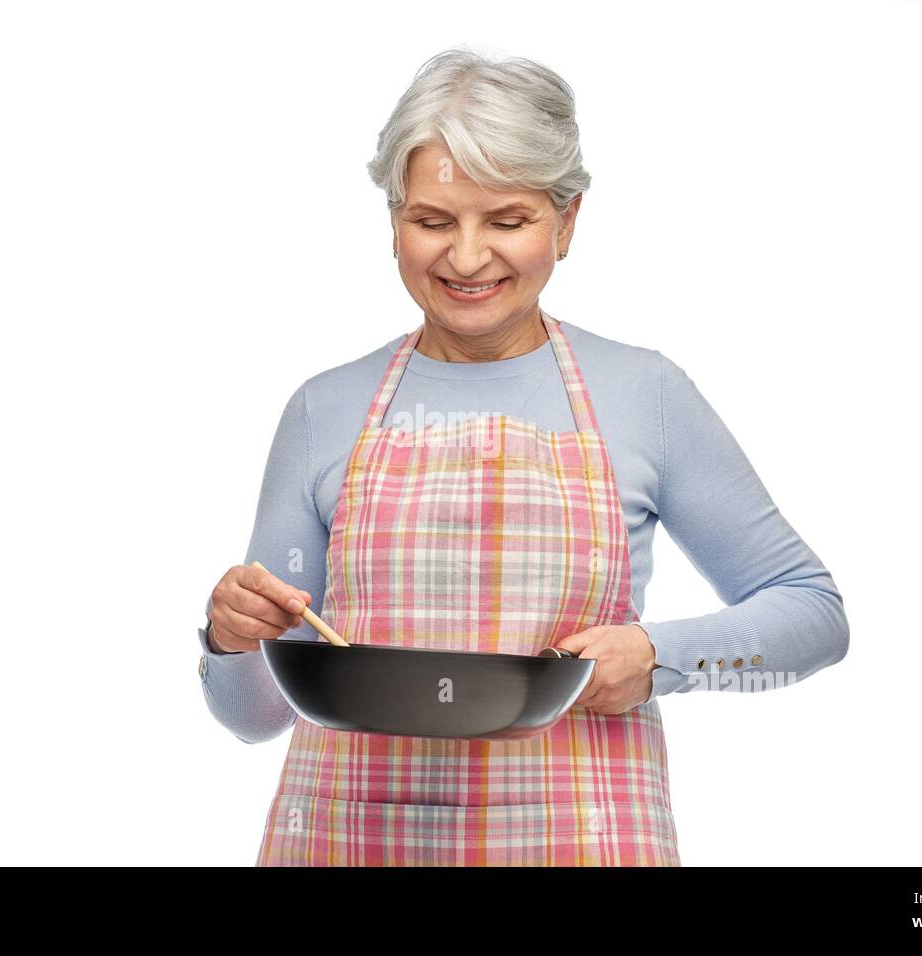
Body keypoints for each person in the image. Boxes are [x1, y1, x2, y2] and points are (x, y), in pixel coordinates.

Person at [196, 47, 849, 866]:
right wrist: (229, 640)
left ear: (567, 221)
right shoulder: (321, 411)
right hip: (347, 840)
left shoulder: (645, 394)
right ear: (392, 218)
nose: (467, 259)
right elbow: (254, 715)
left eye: (507, 220)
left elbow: (813, 613)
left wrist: (657, 657)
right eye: (432, 221)